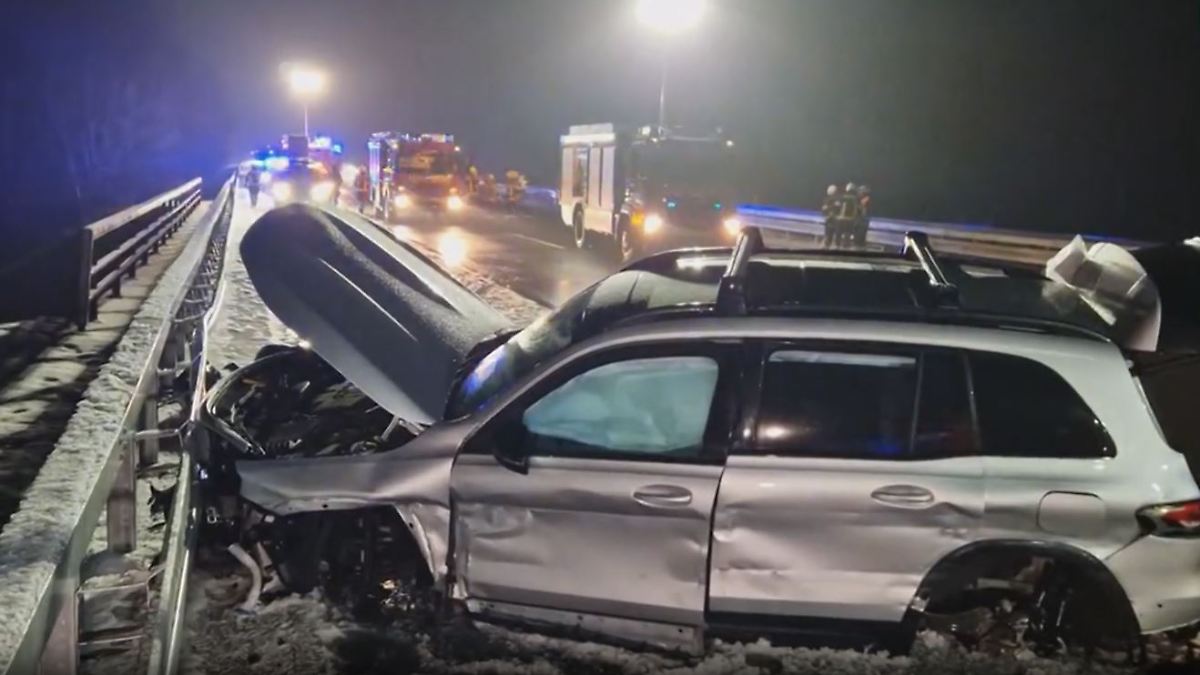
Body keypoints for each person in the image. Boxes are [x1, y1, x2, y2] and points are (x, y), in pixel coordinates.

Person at [833, 182, 860, 249]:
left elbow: (836, 206)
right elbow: (858, 209)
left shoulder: (842, 196)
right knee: (847, 234)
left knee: (838, 234)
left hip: (840, 219)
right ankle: (845, 248)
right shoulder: (856, 198)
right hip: (850, 220)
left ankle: (837, 247)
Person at [821, 184, 840, 248]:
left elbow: (824, 209)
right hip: (833, 219)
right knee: (832, 233)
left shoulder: (827, 199)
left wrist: (826, 215)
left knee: (828, 233)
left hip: (830, 219)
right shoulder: (837, 199)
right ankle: (833, 245)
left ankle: (827, 244)